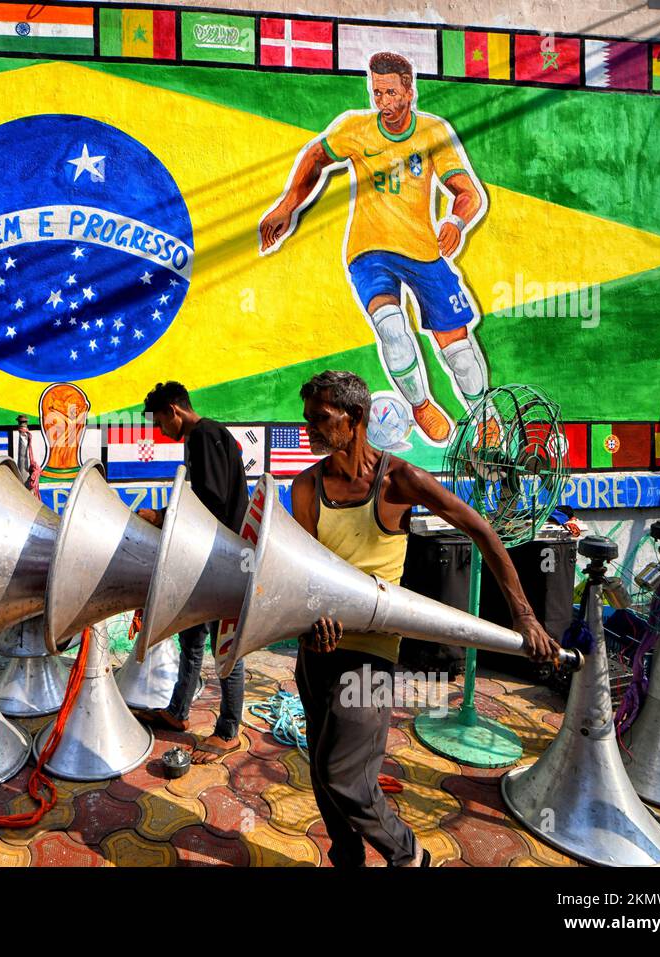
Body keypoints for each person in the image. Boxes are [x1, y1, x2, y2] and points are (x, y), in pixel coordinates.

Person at [292, 370, 559, 867]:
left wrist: (526, 617)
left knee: (343, 773)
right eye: (308, 417)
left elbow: (483, 530)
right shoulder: (306, 486)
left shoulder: (400, 480)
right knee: (321, 764)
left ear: (355, 420)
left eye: (321, 419)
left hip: (371, 651)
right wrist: (310, 624)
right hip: (318, 648)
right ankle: (346, 855)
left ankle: (407, 854)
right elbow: (304, 568)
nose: (310, 428)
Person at [259, 51, 489, 446]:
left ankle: (484, 417)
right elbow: (316, 157)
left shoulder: (433, 132)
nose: (382, 102)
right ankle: (421, 406)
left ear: (409, 91)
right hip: (370, 252)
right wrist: (286, 207)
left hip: (423, 252)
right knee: (393, 330)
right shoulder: (355, 128)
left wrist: (454, 220)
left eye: (390, 92)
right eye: (376, 92)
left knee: (459, 351)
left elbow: (467, 193)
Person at [132, 381, 249, 764]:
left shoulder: (205, 435)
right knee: (192, 639)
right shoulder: (205, 437)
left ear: (174, 411)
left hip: (221, 560)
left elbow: (210, 502)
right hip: (202, 558)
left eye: (160, 422)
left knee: (225, 646)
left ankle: (229, 728)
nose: (160, 432)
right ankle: (178, 711)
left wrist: (161, 516)